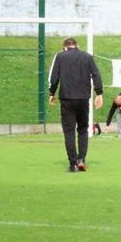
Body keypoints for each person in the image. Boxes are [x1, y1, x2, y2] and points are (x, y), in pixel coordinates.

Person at [48, 37, 103, 172]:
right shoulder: (87, 57)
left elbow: (54, 77)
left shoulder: (60, 57)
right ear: (77, 45)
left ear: (64, 47)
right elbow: (96, 75)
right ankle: (81, 159)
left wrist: (51, 93)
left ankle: (72, 163)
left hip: (67, 99)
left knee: (69, 131)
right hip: (83, 98)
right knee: (83, 129)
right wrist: (99, 93)